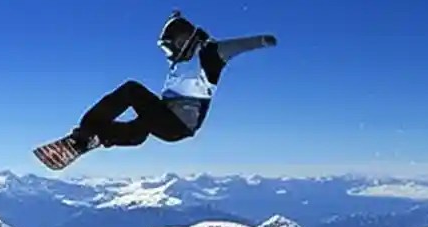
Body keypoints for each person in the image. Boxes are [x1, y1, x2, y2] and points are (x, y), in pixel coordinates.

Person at [67, 11, 277, 153]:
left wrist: (260, 41)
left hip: (177, 122)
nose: (169, 54)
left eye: (169, 48)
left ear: (183, 40)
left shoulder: (209, 54)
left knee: (132, 90)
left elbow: (234, 47)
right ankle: (101, 136)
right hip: (172, 123)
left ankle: (89, 127)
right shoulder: (183, 64)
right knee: (140, 127)